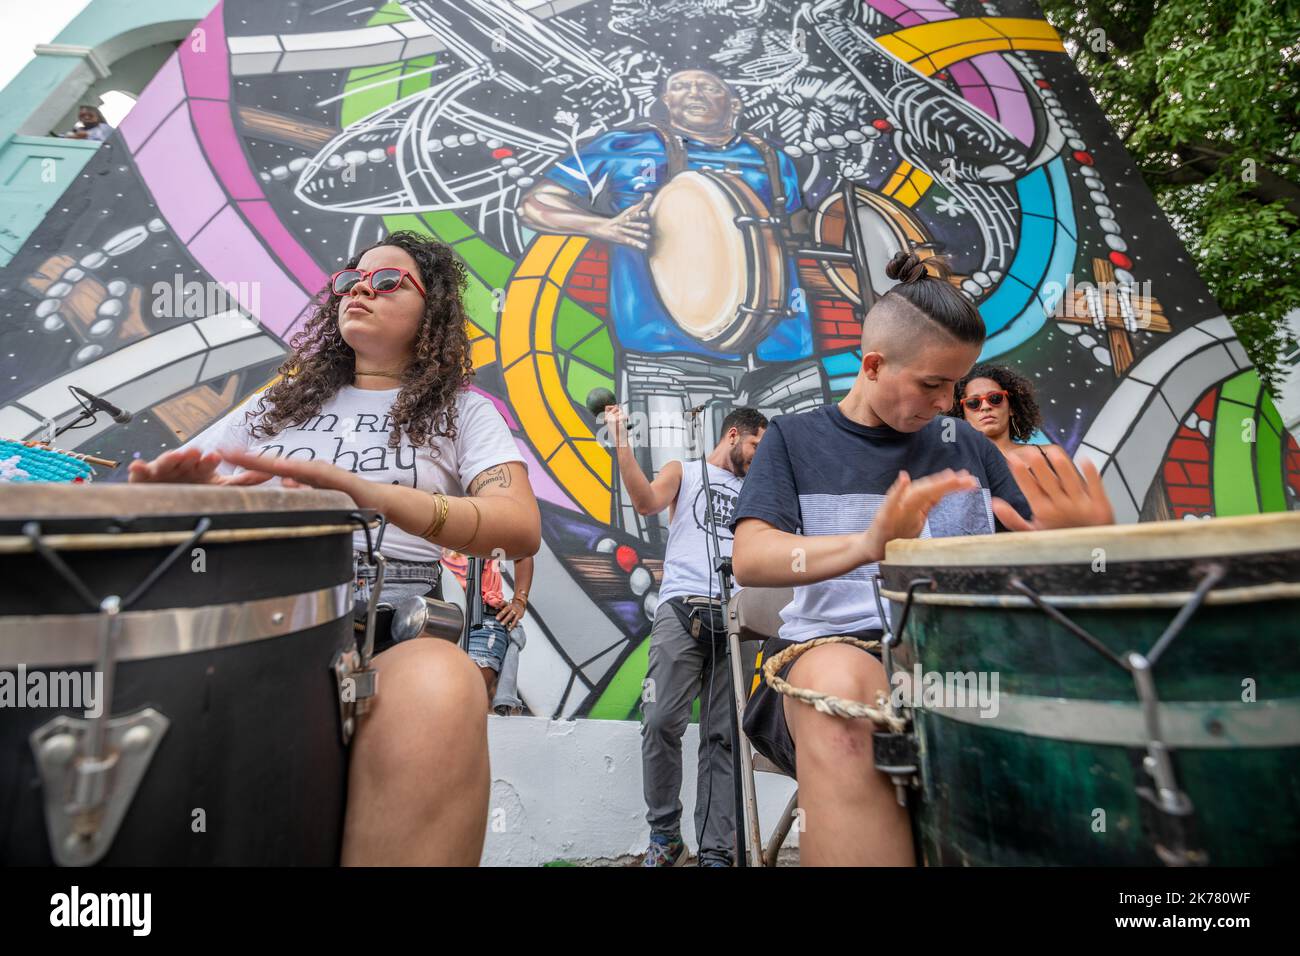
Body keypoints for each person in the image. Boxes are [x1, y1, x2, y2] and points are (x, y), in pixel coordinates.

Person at [127, 231, 541, 865]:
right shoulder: (281, 401)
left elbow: (517, 525)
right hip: (249, 614)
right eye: (351, 280)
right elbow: (190, 476)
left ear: (432, 315)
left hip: (390, 630)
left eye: (388, 282)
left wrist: (363, 491)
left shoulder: (464, 412)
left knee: (443, 685)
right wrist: (185, 495)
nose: (360, 290)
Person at [730, 251, 1113, 866]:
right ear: (874, 364)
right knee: (848, 702)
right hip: (833, 652)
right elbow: (751, 559)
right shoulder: (794, 438)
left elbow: (1027, 569)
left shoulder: (965, 444)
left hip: (963, 654)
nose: (945, 404)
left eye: (954, 387)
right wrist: (864, 548)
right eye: (931, 385)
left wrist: (1080, 546)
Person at [606, 401, 768, 867]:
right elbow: (645, 502)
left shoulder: (758, 487)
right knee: (659, 722)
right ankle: (665, 836)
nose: (759, 455)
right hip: (682, 608)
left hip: (739, 617)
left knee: (723, 736)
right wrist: (621, 443)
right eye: (756, 444)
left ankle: (716, 850)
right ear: (734, 434)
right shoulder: (686, 471)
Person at [440, 549, 534, 701]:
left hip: (483, 621)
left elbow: (524, 552)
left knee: (468, 698)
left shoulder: (491, 526)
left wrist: (519, 601)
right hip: (438, 616)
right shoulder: (438, 526)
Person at [951, 363, 1057, 468]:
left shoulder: (1051, 457)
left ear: (1011, 408)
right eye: (973, 402)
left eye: (995, 398)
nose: (985, 406)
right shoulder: (955, 469)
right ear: (962, 415)